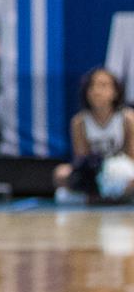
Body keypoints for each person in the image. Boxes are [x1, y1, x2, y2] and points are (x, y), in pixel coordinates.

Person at [56, 67, 134, 205]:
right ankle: (106, 198)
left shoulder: (127, 118)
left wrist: (114, 169)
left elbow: (131, 156)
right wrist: (97, 170)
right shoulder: (79, 121)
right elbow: (81, 159)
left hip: (121, 171)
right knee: (60, 174)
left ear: (115, 92)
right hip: (94, 172)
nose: (97, 91)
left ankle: (99, 199)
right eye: (92, 86)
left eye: (103, 86)